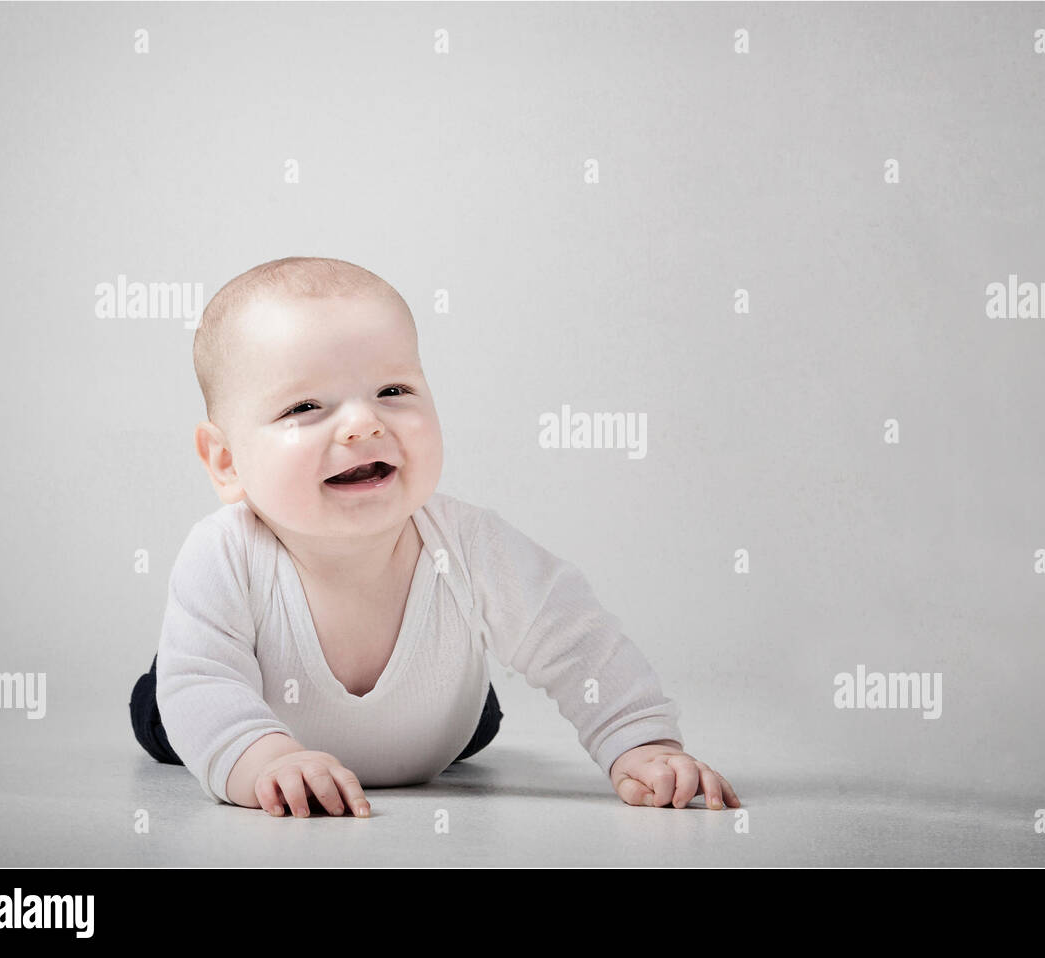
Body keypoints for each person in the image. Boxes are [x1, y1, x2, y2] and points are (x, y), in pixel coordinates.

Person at [131, 256, 740, 819]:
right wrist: (263, 760)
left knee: (479, 713)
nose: (364, 423)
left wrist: (640, 742)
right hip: (239, 699)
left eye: (392, 392)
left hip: (439, 722)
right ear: (226, 461)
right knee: (179, 707)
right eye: (306, 407)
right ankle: (190, 710)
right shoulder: (223, 554)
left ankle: (456, 692)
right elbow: (205, 684)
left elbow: (577, 638)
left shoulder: (470, 542)